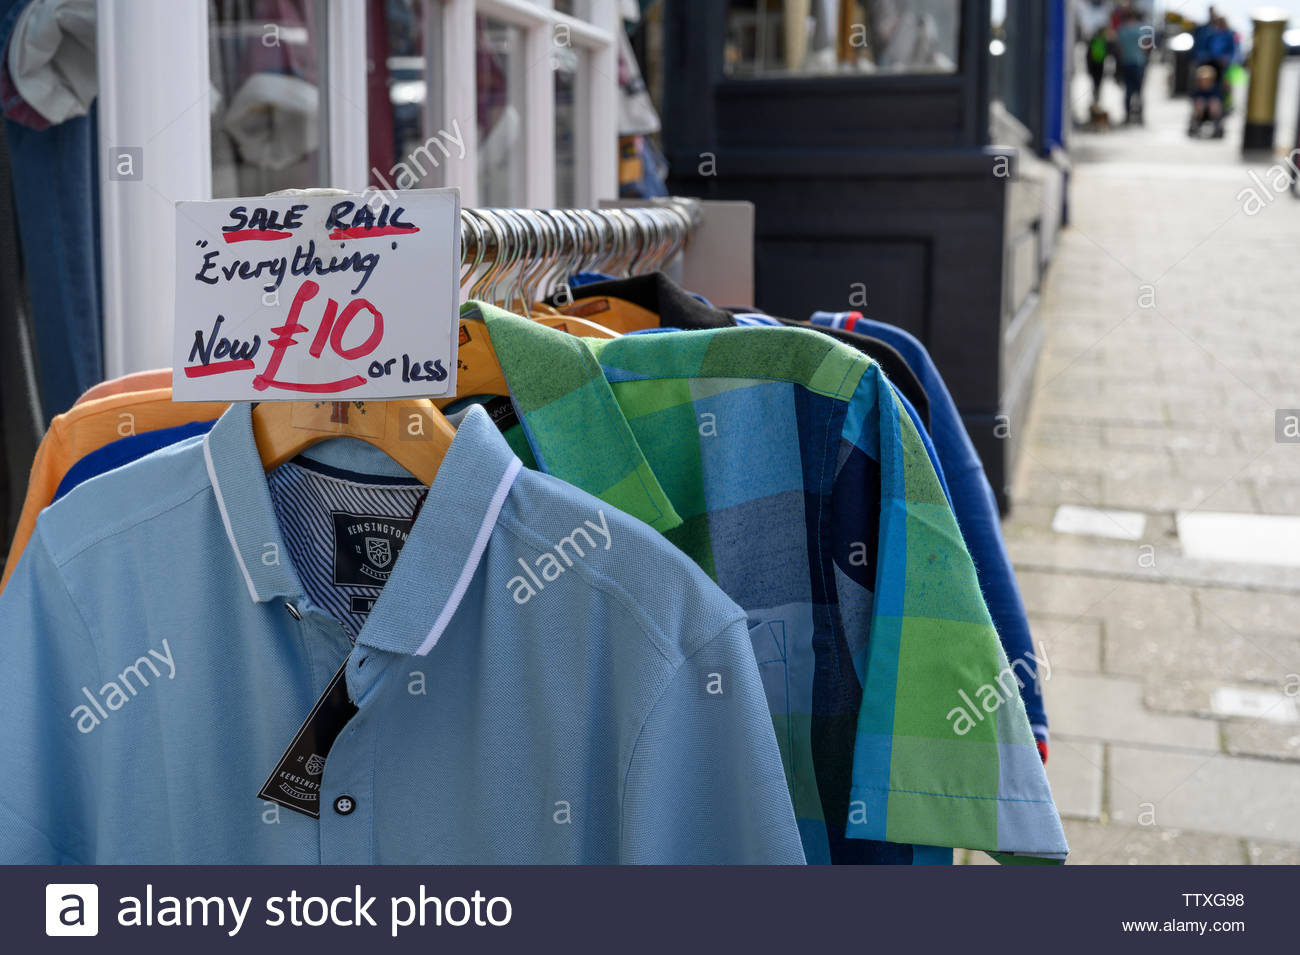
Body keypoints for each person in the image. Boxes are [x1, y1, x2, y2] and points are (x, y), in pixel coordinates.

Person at [1114, 7, 1149, 125]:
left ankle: (1127, 116)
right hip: (1139, 63)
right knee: (1139, 91)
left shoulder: (1122, 30)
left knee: (1128, 90)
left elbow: (1118, 48)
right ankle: (1140, 117)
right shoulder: (1142, 29)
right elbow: (1146, 46)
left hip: (1126, 63)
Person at [1188, 63, 1225, 137]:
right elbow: (1193, 99)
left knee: (1214, 103)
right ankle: (1196, 126)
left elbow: (1220, 99)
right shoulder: (1197, 90)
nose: (1205, 82)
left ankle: (1216, 126)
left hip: (1212, 110)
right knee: (1199, 103)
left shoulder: (1216, 89)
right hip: (1201, 111)